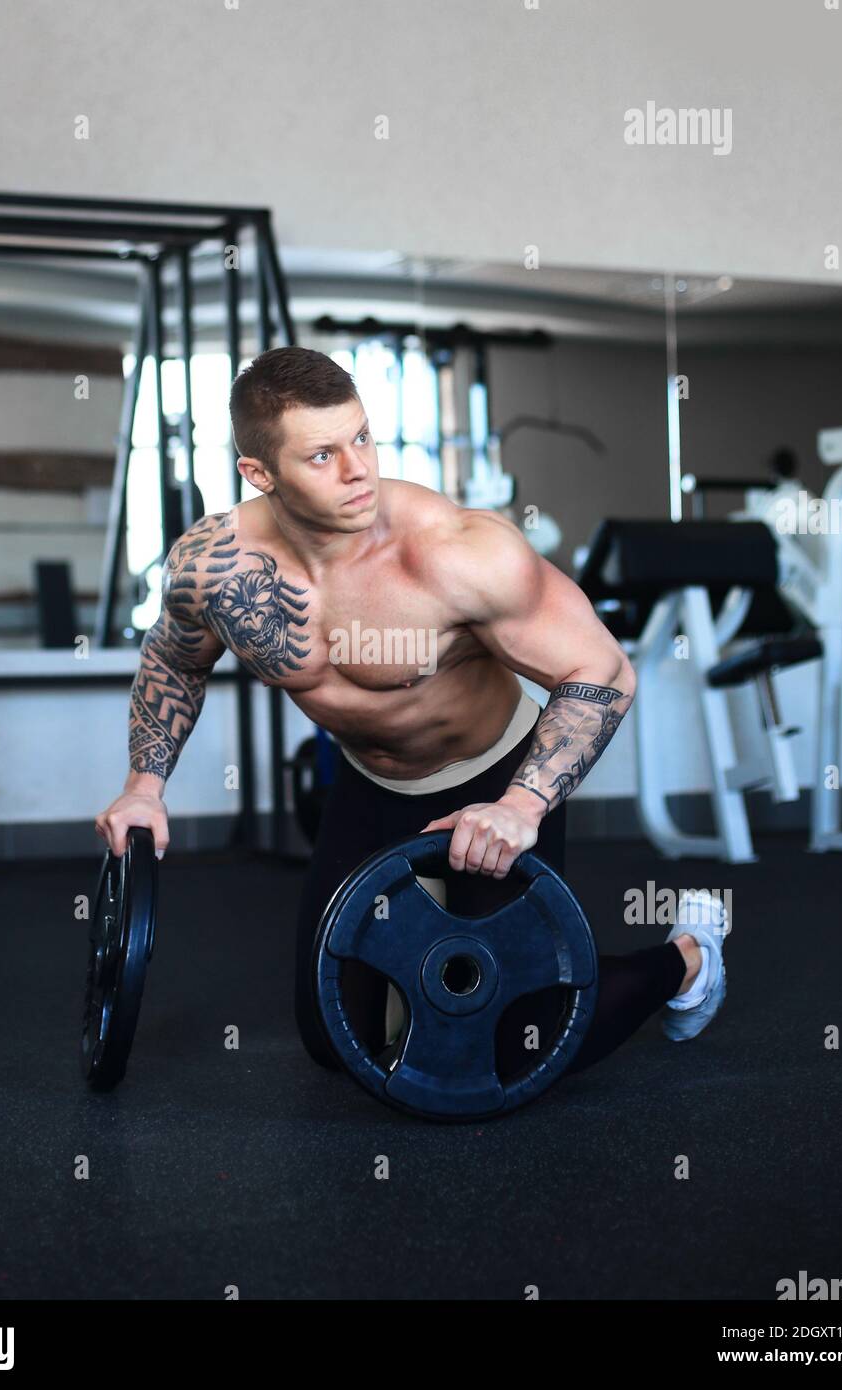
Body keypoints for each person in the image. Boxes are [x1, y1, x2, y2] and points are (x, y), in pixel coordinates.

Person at [95, 346, 728, 1081]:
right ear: (259, 475)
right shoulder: (213, 566)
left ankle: (684, 960)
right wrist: (144, 787)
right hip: (369, 786)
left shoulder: (454, 554)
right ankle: (417, 999)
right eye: (323, 454)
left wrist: (520, 805)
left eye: (361, 437)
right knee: (336, 1043)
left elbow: (603, 669)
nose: (358, 468)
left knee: (514, 1046)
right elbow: (174, 659)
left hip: (491, 778)